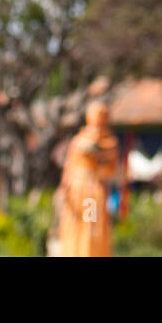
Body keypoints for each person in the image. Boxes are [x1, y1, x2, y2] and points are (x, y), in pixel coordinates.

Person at [57, 102, 118, 256]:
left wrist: (98, 159)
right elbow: (69, 165)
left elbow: (110, 169)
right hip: (76, 190)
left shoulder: (108, 141)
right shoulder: (78, 139)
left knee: (91, 226)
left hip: (92, 192)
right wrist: (64, 188)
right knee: (73, 226)